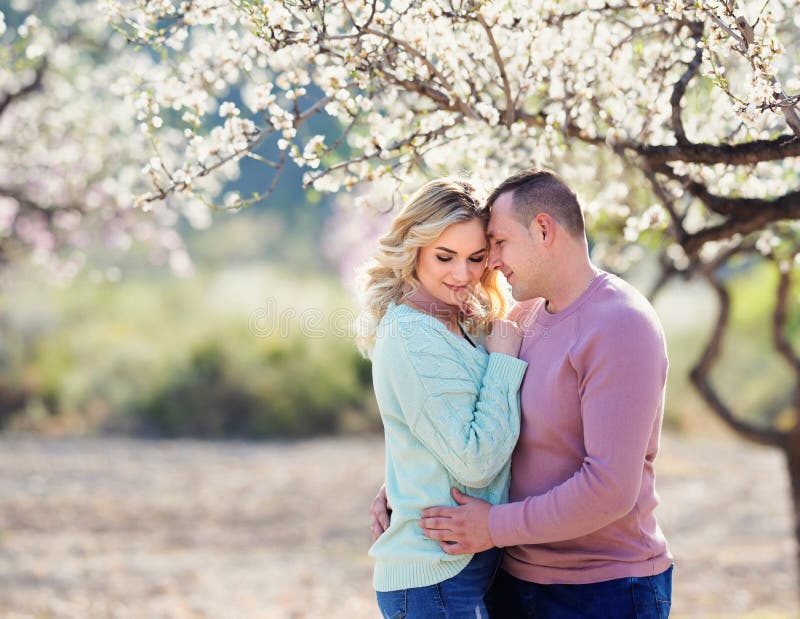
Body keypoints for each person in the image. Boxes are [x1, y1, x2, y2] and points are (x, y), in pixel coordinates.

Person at [371, 169, 674, 618]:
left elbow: (610, 489)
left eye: (496, 244)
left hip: (599, 587)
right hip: (511, 579)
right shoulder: (521, 319)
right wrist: (408, 481)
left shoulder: (620, 323)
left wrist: (493, 526)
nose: (488, 263)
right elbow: (470, 414)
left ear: (544, 230)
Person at [358, 177, 529, 618]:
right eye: (444, 256)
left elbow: (436, 427)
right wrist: (504, 363)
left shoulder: (460, 320)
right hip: (433, 577)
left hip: (462, 568)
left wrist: (401, 480)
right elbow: (473, 461)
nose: (462, 274)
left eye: (476, 258)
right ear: (414, 248)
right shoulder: (413, 337)